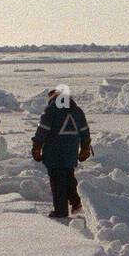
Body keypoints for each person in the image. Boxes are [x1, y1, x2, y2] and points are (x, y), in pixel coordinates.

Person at [31, 88, 91, 218]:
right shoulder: (77, 111)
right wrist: (85, 147)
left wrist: (37, 147)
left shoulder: (51, 110)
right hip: (71, 151)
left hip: (54, 151)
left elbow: (43, 130)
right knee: (68, 176)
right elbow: (85, 131)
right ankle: (76, 202)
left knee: (57, 180)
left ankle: (61, 211)